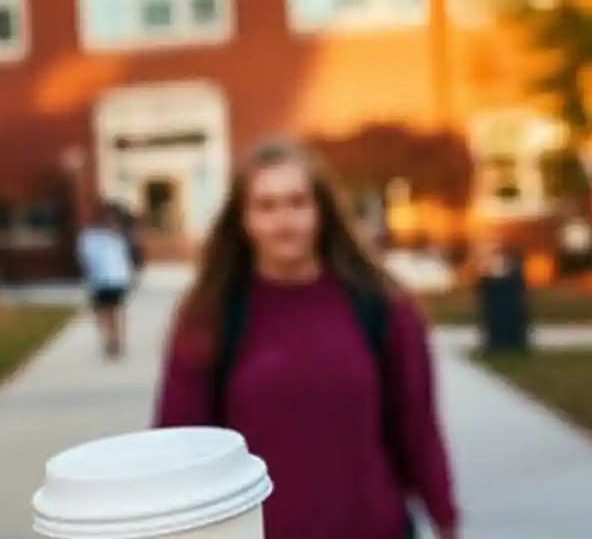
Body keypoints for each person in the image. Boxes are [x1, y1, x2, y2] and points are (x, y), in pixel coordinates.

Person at [155, 138, 459, 539]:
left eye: (297, 202)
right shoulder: (210, 316)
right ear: (242, 220)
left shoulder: (381, 308)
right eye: (266, 206)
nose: (284, 219)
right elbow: (178, 445)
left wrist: (445, 517)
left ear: (322, 212)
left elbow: (417, 425)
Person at [77, 202, 135, 359]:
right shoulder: (91, 237)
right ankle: (110, 341)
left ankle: (116, 341)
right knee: (105, 313)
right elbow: (86, 259)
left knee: (113, 311)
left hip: (114, 280)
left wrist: (128, 277)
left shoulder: (115, 237)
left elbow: (123, 259)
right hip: (101, 281)